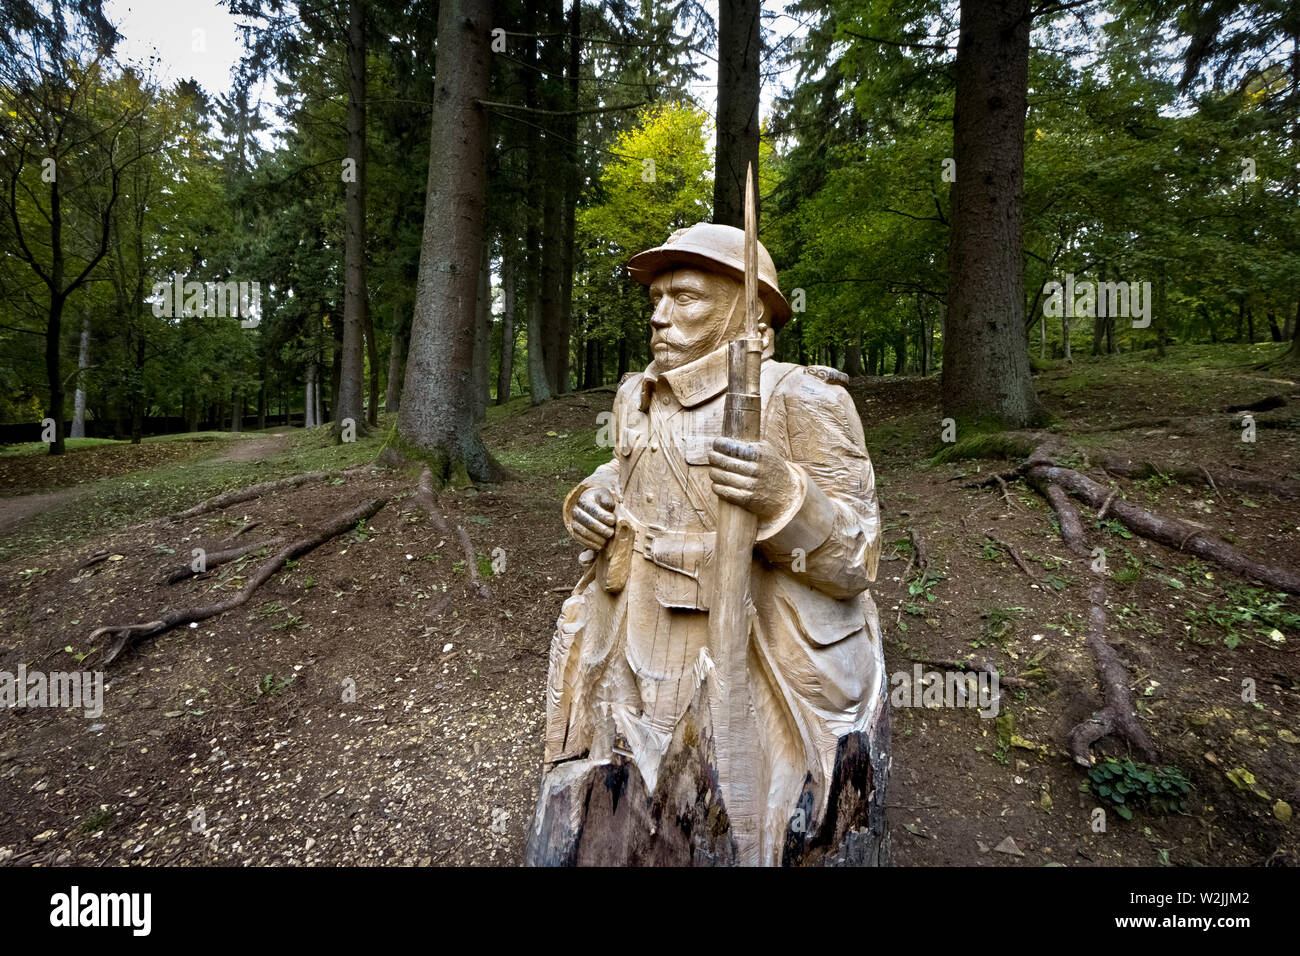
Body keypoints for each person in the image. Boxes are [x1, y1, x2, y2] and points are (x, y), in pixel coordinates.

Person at [542, 222, 886, 864]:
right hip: (631, 645)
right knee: (620, 808)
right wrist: (588, 499)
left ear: (746, 307)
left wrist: (787, 498)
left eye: (687, 298)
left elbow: (859, 555)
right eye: (656, 300)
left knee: (744, 824)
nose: (661, 317)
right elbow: (623, 470)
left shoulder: (802, 397)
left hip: (748, 661)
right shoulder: (634, 396)